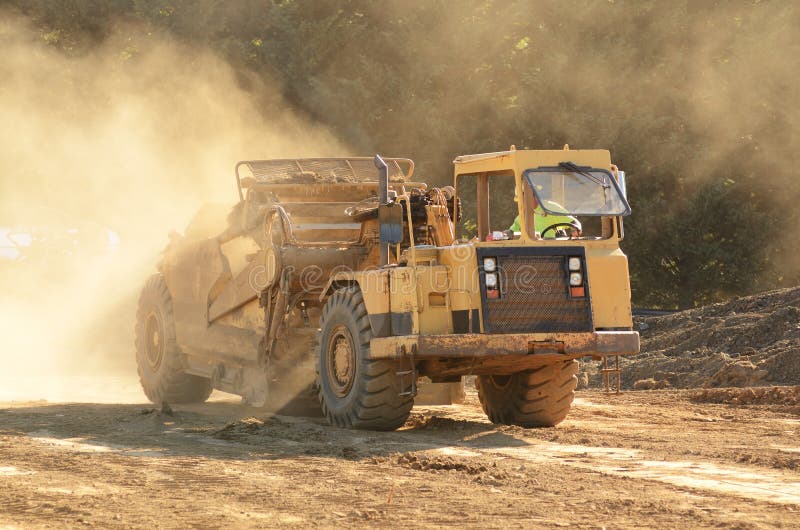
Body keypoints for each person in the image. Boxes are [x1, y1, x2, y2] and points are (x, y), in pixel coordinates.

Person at [509, 189, 581, 237]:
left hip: (552, 251)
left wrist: (575, 230)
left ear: (533, 196)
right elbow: (511, 231)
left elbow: (574, 222)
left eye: (523, 199)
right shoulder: (522, 216)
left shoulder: (550, 208)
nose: (522, 203)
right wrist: (503, 234)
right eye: (520, 200)